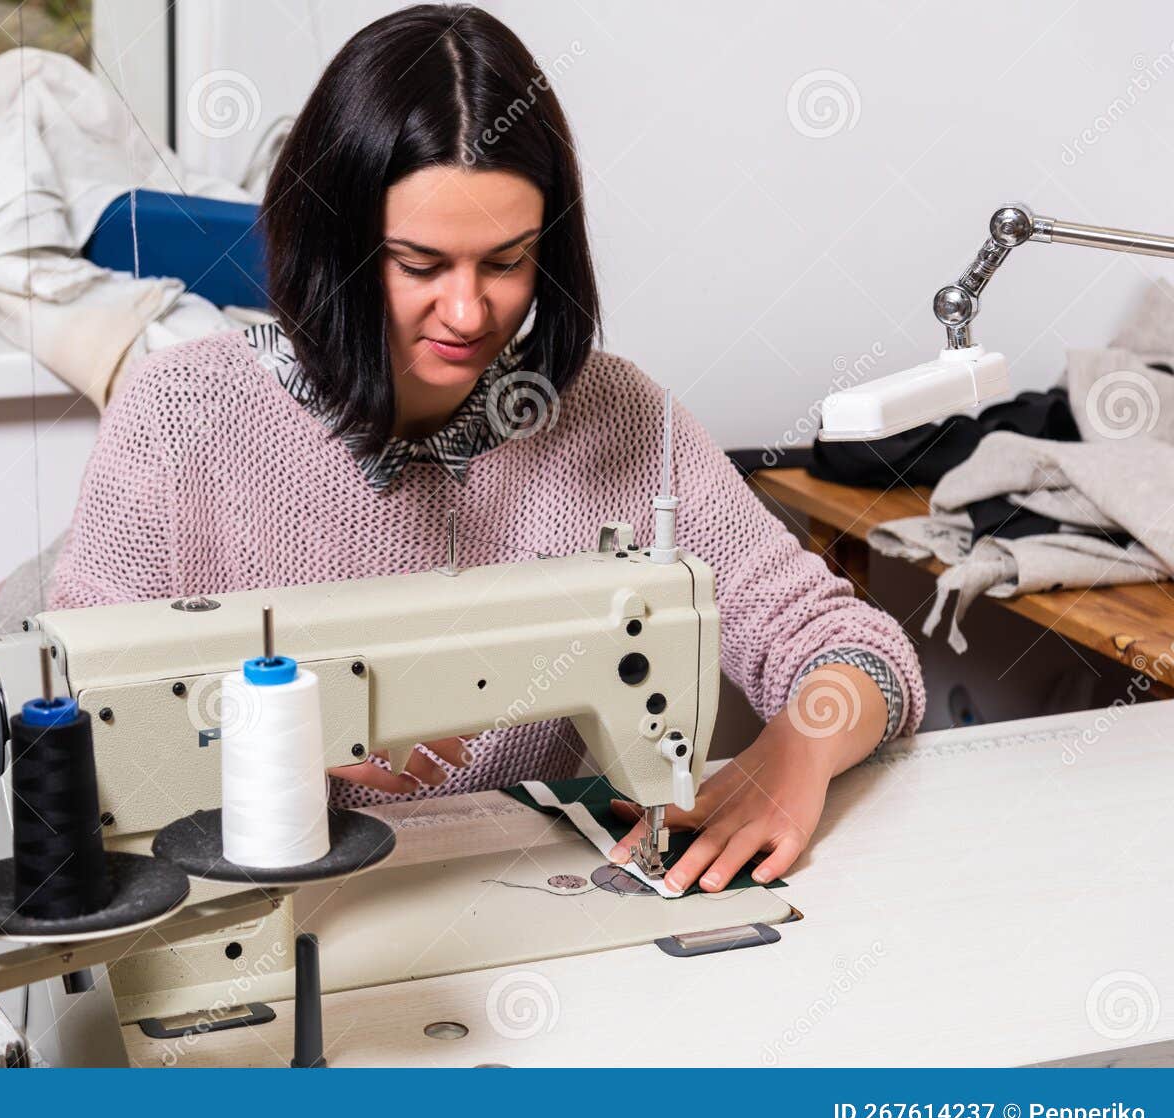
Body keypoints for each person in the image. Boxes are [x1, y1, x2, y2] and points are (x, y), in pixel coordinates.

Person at [50, 4, 924, 894]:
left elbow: (855, 648)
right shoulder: (182, 416)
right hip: (259, 902)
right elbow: (79, 718)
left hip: (497, 887)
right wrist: (265, 742)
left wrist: (791, 757)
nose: (469, 314)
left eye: (506, 262)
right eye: (419, 264)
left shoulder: (614, 417)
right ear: (334, 240)